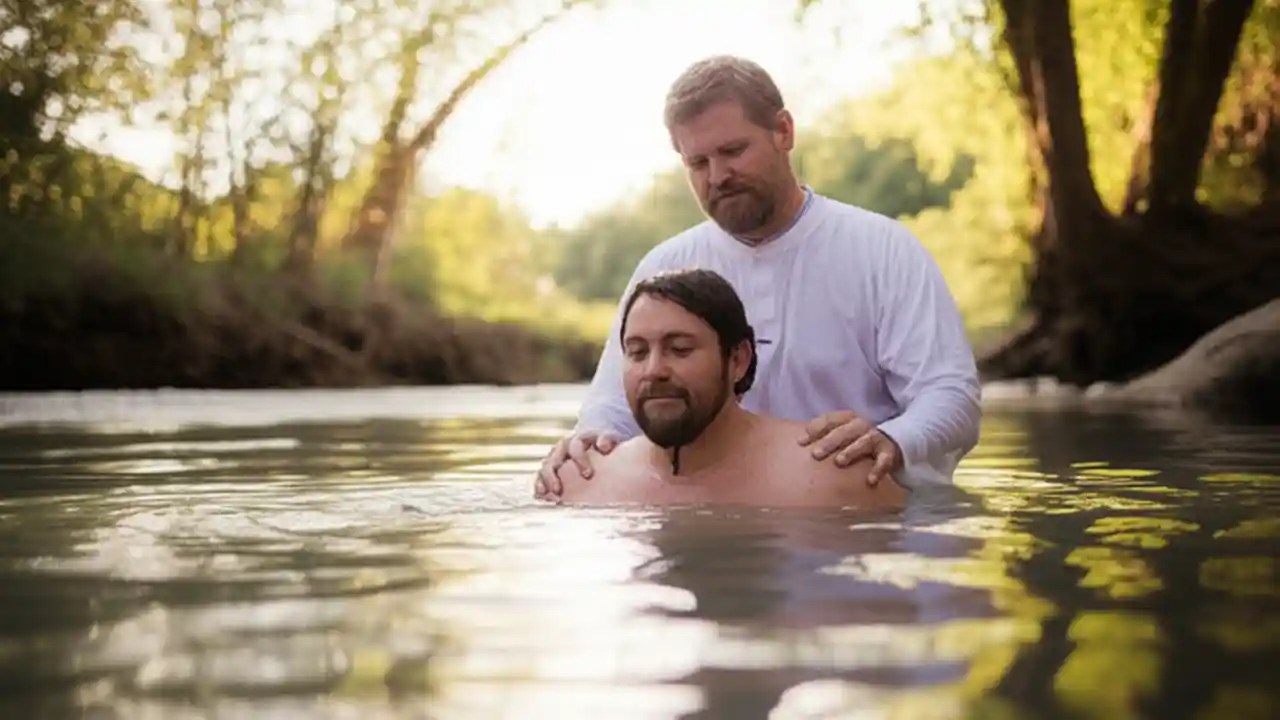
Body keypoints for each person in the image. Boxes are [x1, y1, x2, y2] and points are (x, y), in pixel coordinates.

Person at [536, 54, 980, 499]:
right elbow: (613, 406)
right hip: (721, 521)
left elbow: (950, 395)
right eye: (698, 163)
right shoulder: (664, 267)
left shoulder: (883, 250)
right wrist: (585, 445)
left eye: (733, 151)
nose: (718, 176)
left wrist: (892, 441)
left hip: (875, 524)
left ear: (784, 132)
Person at [556, 268, 906, 509]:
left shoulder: (835, 479)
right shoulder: (580, 483)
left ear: (737, 360)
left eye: (680, 349)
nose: (654, 370)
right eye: (637, 352)